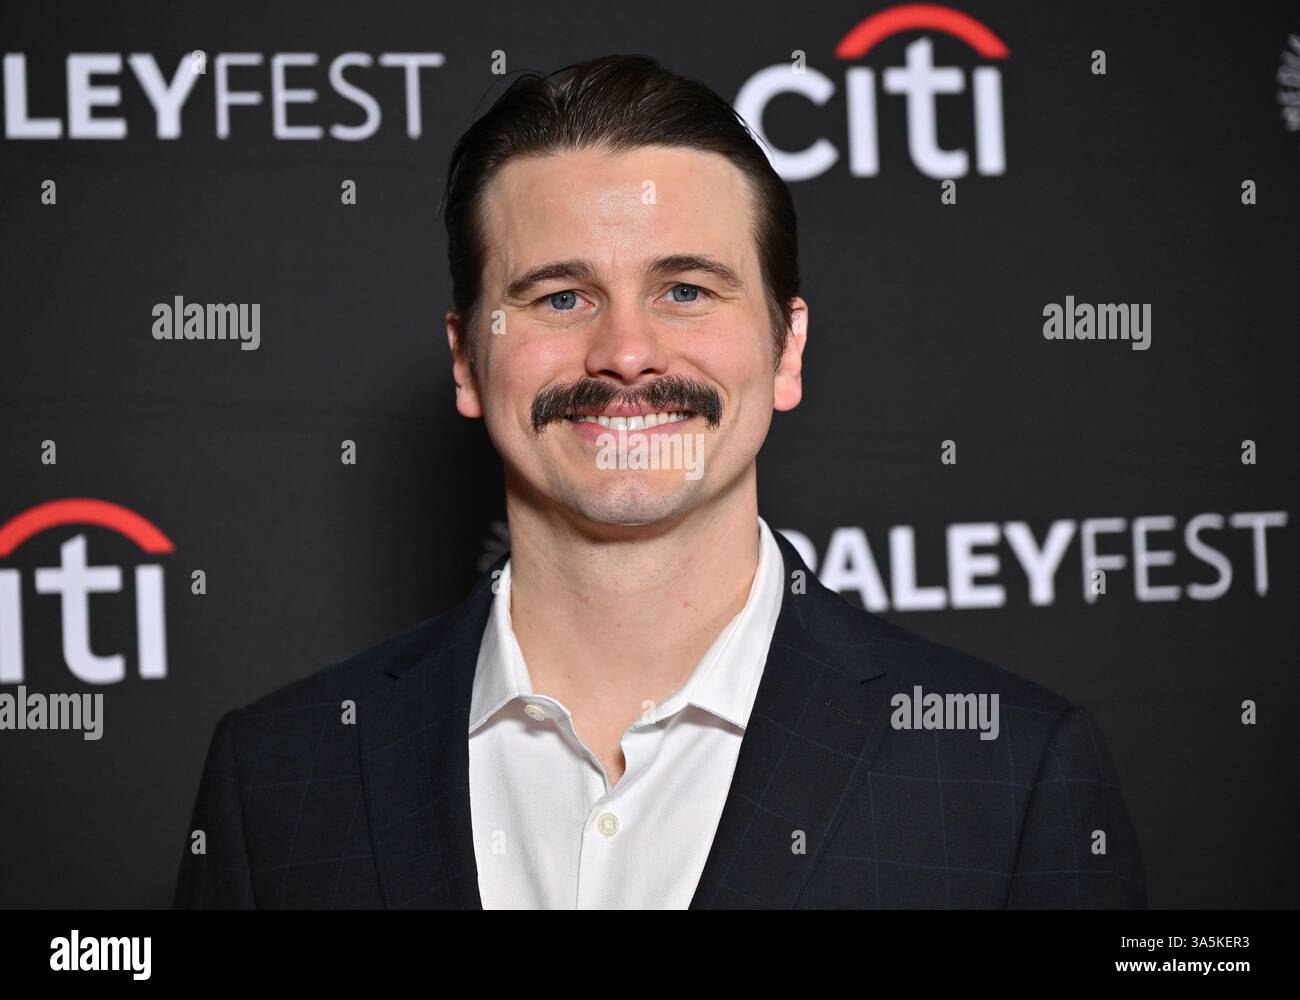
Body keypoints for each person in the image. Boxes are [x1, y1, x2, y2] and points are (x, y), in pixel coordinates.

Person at [174, 54, 1145, 909]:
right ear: (468, 360)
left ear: (786, 346)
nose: (626, 352)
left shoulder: (1009, 773)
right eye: (560, 296)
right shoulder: (278, 776)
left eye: (685, 290)